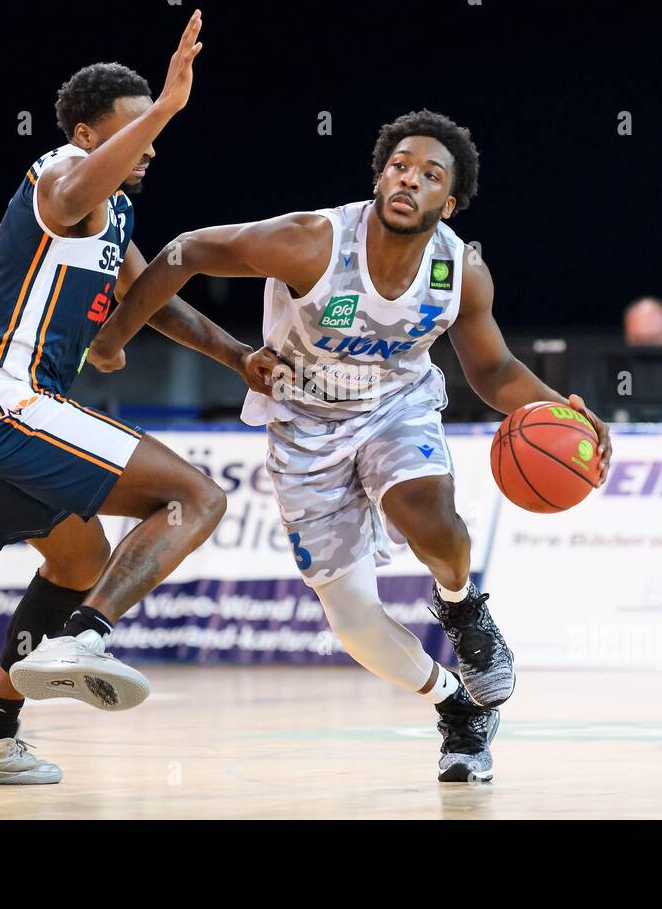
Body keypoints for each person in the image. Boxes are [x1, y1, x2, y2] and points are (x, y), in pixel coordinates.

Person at [88, 110, 613, 782]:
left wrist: (562, 412)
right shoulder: (311, 242)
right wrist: (117, 337)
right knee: (357, 624)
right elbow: (185, 251)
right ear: (378, 178)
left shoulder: (462, 270)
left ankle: (461, 608)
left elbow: (493, 371)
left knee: (430, 515)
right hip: (303, 427)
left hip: (396, 406)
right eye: (399, 166)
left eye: (430, 175)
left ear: (449, 204)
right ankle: (457, 707)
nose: (409, 180)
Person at [0, 12, 276, 785]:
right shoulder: (64, 175)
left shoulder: (111, 210)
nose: (151, 144)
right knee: (198, 498)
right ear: (87, 135)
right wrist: (170, 103)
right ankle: (85, 637)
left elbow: (152, 301)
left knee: (79, 559)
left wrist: (237, 356)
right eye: (137, 128)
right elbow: (77, 187)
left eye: (157, 129)